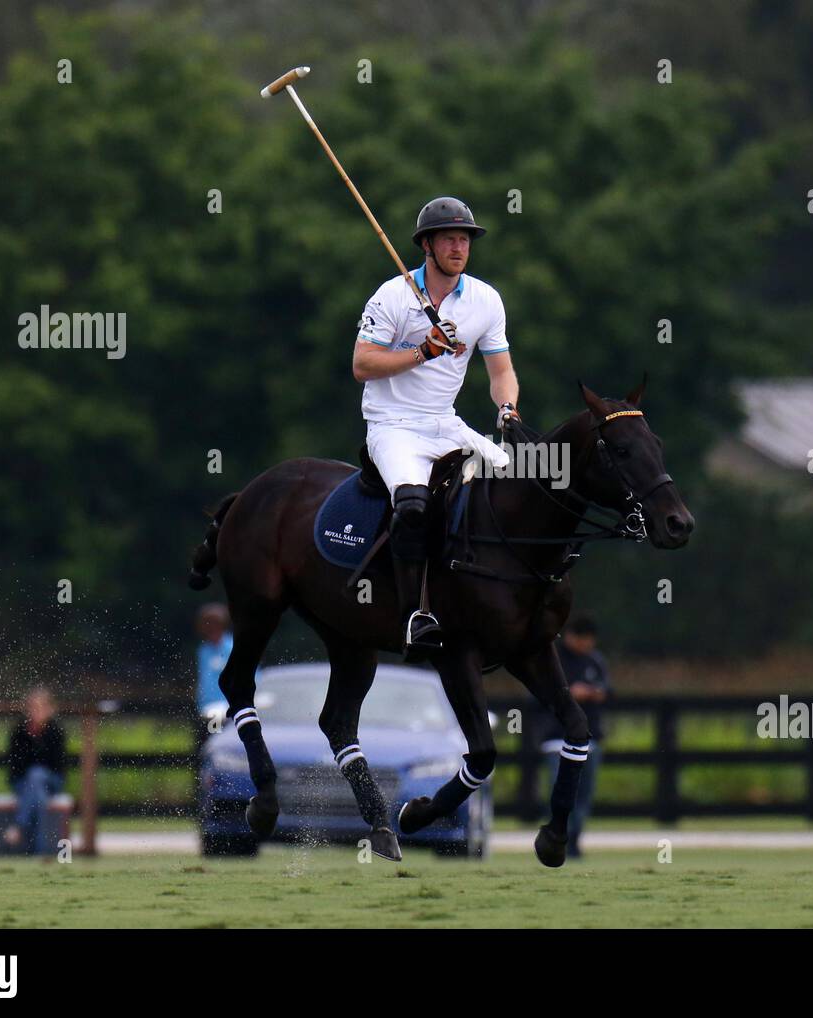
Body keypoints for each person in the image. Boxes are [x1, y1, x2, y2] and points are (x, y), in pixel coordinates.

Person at [352, 196, 520, 658]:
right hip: (393, 426)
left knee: (522, 481)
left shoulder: (486, 300)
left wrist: (507, 409)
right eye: (448, 237)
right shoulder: (393, 295)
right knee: (412, 505)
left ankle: (508, 596)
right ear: (426, 244)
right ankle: (415, 615)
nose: (458, 246)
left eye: (464, 238)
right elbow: (362, 365)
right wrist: (421, 352)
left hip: (445, 423)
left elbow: (501, 371)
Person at [529, 616, 611, 859]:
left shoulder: (595, 661)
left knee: (585, 793)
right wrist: (567, 694)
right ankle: (556, 836)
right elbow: (535, 696)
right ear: (572, 636)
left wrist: (596, 694)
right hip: (558, 739)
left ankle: (574, 838)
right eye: (583, 639)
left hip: (591, 739)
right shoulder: (553, 661)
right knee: (561, 791)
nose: (587, 645)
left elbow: (608, 690)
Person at [4, 687, 67, 855]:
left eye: (40, 707)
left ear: (49, 709)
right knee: (38, 794)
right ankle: (42, 851)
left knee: (37, 775)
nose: (36, 712)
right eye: (33, 707)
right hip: (23, 783)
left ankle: (19, 826)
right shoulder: (19, 731)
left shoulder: (56, 731)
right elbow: (16, 766)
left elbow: (56, 765)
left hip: (51, 781)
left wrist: (37, 746)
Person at [195, 603, 233, 714]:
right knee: (213, 731)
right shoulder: (203, 650)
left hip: (228, 707)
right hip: (207, 707)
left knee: (224, 731)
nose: (210, 627)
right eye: (207, 623)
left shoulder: (233, 647)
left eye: (214, 623)